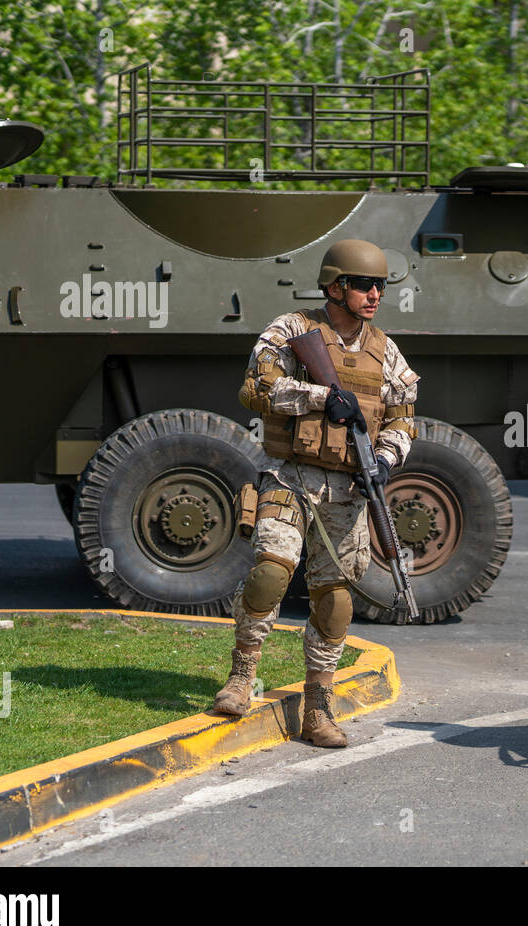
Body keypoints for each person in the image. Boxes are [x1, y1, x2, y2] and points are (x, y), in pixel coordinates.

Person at [212, 239, 420, 747]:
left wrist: (388, 458)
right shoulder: (292, 331)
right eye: (364, 285)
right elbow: (257, 389)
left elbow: (403, 418)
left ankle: (318, 708)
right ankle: (242, 676)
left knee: (335, 600)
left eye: (381, 286)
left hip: (350, 488)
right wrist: (323, 397)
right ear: (335, 287)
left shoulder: (386, 351)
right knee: (269, 574)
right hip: (289, 476)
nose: (375, 295)